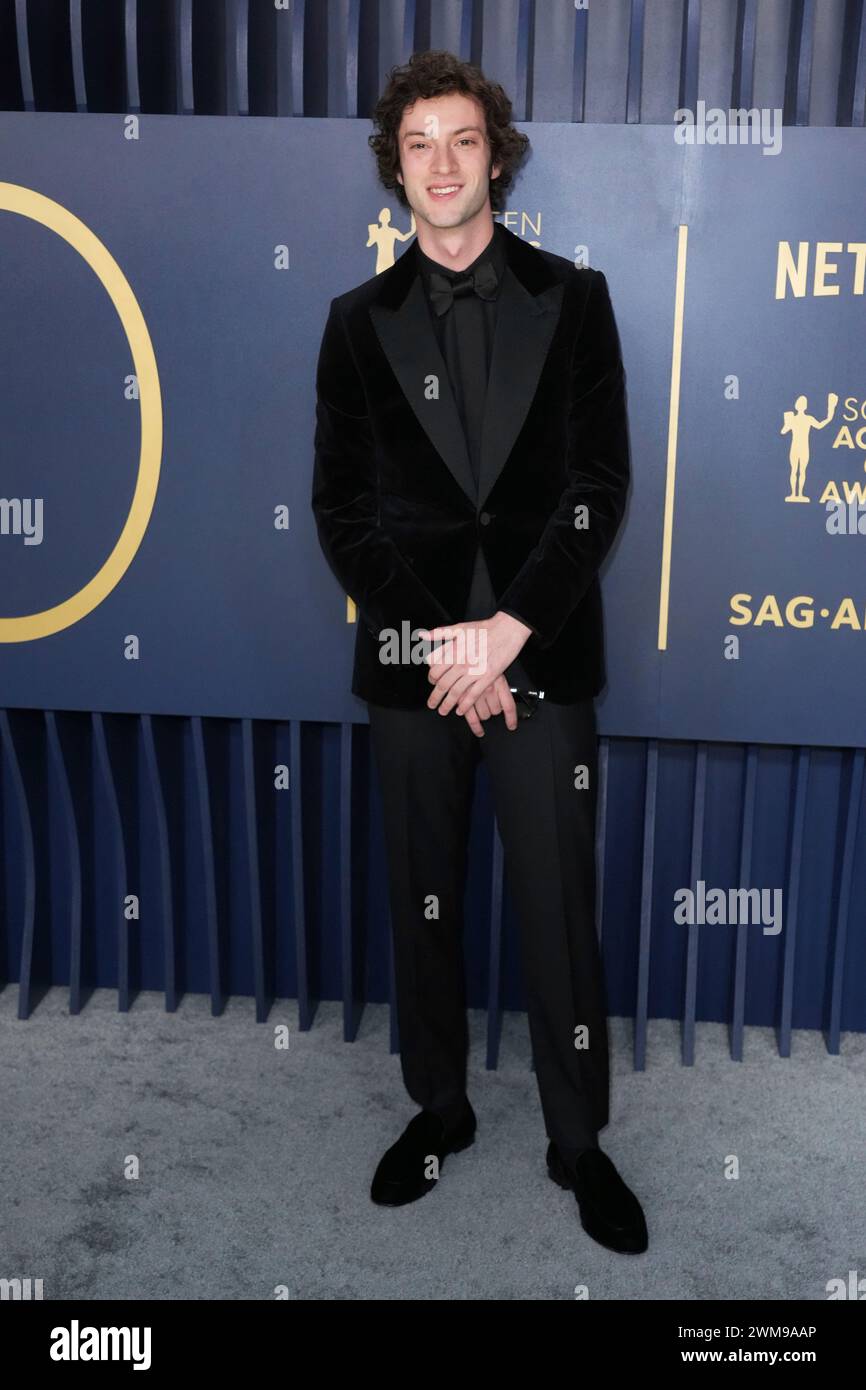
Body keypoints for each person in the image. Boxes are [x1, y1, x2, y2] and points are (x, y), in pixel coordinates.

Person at [311, 49, 647, 1255]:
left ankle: (576, 1141)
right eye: (418, 144)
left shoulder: (579, 297)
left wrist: (508, 631)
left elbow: (596, 487)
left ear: (494, 156)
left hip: (540, 657)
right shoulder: (356, 325)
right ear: (393, 169)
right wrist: (441, 644)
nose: (441, 163)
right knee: (422, 901)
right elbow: (342, 513)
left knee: (558, 909)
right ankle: (439, 1110)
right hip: (413, 671)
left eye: (462, 139)